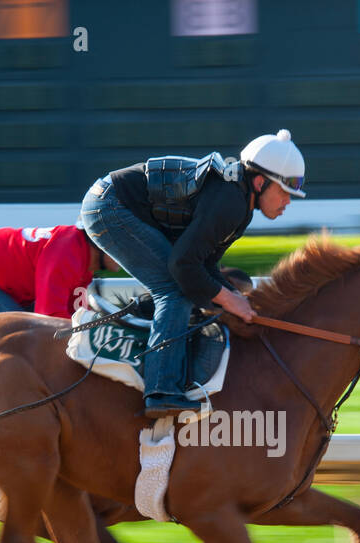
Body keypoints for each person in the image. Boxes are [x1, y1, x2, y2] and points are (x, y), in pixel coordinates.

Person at [79, 129, 305, 418]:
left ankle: (154, 345)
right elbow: (183, 266)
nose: (288, 202)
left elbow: (204, 266)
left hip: (116, 203)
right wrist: (229, 299)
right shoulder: (231, 202)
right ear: (260, 182)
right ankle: (161, 392)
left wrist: (238, 299)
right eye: (284, 191)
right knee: (174, 291)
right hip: (109, 206)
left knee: (187, 287)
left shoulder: (240, 204)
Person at [0, 224, 120, 340]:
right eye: (123, 245)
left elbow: (76, 316)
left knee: (28, 336)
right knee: (23, 336)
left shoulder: (83, 262)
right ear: (102, 243)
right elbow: (51, 318)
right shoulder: (68, 253)